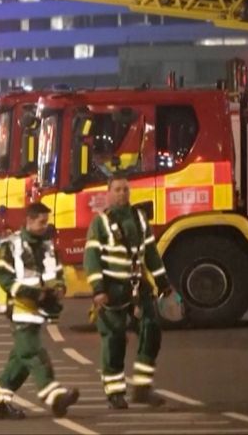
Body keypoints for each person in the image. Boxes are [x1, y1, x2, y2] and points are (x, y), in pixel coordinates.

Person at [85, 174, 173, 409]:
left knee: (152, 329)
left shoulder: (140, 219)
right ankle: (114, 392)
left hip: (138, 287)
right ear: (108, 193)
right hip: (112, 288)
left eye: (125, 189)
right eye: (117, 190)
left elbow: (151, 253)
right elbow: (91, 258)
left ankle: (142, 388)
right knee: (114, 340)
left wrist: (163, 282)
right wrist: (98, 289)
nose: (122, 194)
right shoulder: (100, 223)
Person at [0, 202, 80, 420]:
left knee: (21, 360)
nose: (44, 226)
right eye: (41, 222)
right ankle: (54, 397)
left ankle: (0, 402)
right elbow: (3, 277)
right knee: (34, 354)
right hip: (19, 308)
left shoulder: (47, 246)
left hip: (39, 310)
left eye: (46, 222)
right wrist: (32, 294)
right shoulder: (11, 246)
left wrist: (59, 287)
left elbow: (56, 272)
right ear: (29, 221)